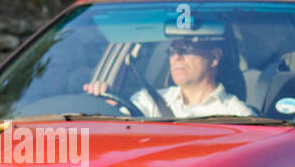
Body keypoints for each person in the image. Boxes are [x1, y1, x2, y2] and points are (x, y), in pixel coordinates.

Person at [84, 36, 252, 117]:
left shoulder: (237, 114)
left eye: (186, 48)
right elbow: (119, 130)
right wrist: (106, 109)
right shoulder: (148, 101)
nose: (176, 56)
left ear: (214, 58)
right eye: (172, 50)